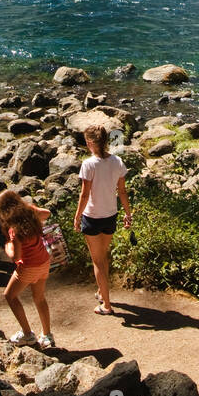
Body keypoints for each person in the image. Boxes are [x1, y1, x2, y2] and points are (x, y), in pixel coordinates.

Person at [73, 124, 131, 315]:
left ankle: (106, 305)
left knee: (97, 260)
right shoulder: (117, 162)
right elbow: (122, 191)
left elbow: (84, 194)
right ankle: (101, 290)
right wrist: (128, 214)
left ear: (90, 143)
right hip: (110, 215)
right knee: (103, 256)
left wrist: (77, 216)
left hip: (92, 216)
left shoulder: (88, 164)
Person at [0, 189, 54, 350]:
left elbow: (16, 257)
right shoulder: (31, 214)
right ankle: (47, 335)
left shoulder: (14, 229)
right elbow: (47, 213)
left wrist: (7, 247)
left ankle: (27, 334)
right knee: (39, 298)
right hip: (44, 262)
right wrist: (29, 208)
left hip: (28, 267)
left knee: (10, 296)